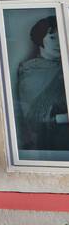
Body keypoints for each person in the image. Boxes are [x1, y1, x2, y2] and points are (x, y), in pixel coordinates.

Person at [17, 17, 69, 152]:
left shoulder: (64, 66)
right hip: (53, 143)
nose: (58, 42)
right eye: (52, 38)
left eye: (61, 36)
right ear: (40, 40)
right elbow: (34, 118)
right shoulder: (31, 71)